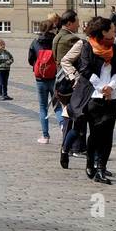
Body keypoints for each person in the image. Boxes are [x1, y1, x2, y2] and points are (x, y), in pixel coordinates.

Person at [60, 16, 116, 183]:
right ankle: (90, 163)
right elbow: (85, 69)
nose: (115, 31)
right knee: (94, 134)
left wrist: (112, 86)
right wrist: (102, 87)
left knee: (108, 135)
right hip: (93, 96)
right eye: (112, 29)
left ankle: (101, 168)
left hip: (112, 96)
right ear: (103, 31)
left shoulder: (114, 48)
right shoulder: (88, 46)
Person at [52, 11, 87, 158]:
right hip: (71, 81)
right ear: (69, 23)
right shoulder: (72, 39)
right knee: (78, 114)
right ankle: (77, 147)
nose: (78, 24)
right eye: (76, 22)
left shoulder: (57, 37)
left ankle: (66, 145)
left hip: (59, 80)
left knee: (67, 113)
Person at [27, 19, 62, 143]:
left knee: (43, 107)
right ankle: (64, 128)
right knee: (57, 106)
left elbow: (30, 59)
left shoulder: (35, 42)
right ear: (52, 29)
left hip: (40, 78)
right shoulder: (56, 41)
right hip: (54, 78)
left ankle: (45, 136)